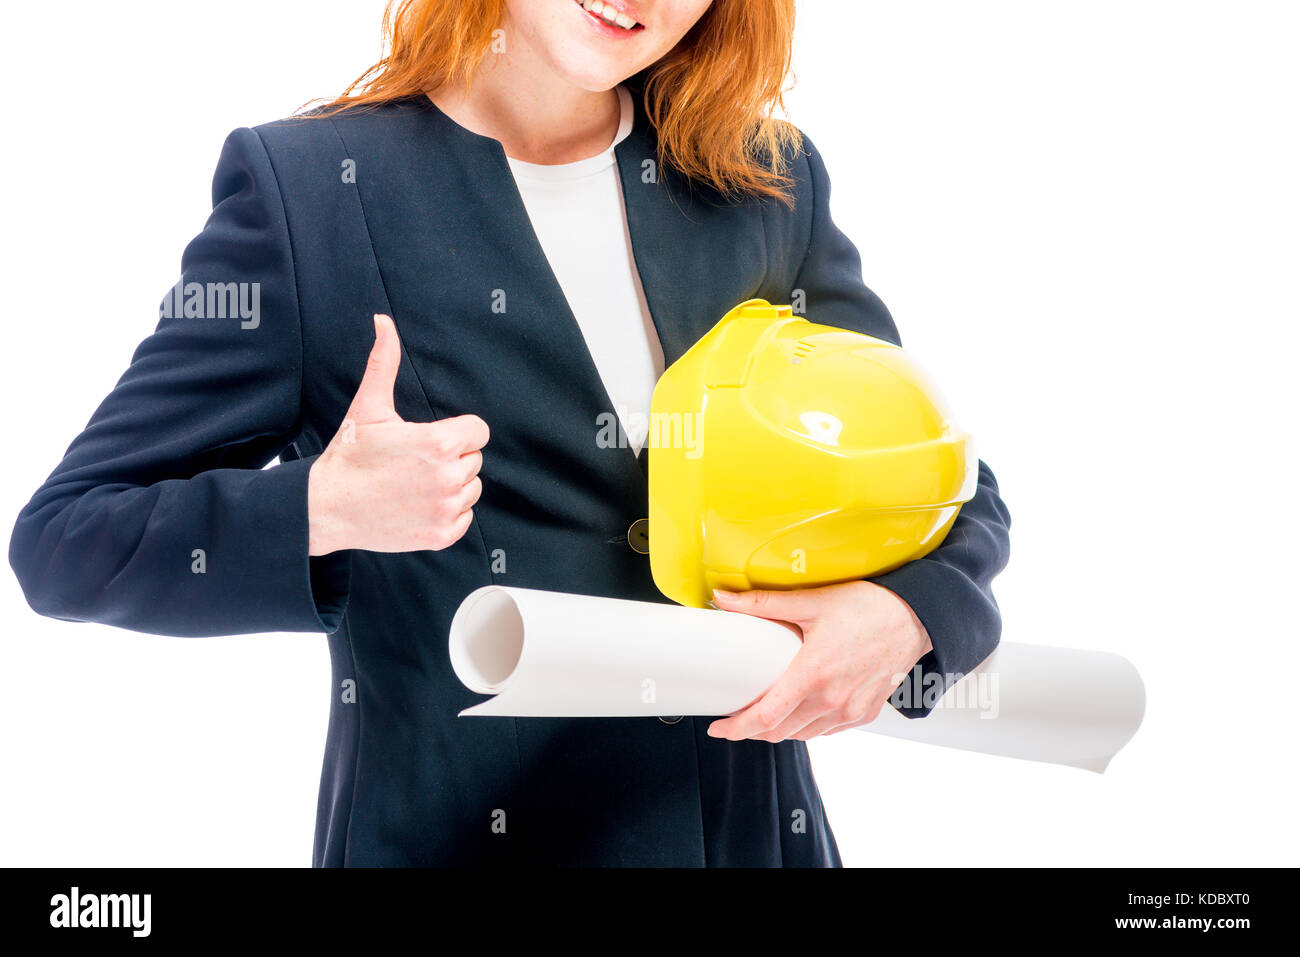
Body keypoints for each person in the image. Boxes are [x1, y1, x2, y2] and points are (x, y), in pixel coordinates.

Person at [9, 0, 1011, 866]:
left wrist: (913, 613)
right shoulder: (312, 194)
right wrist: (319, 507)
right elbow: (67, 542)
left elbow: (940, 478)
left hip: (742, 840)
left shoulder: (762, 184)